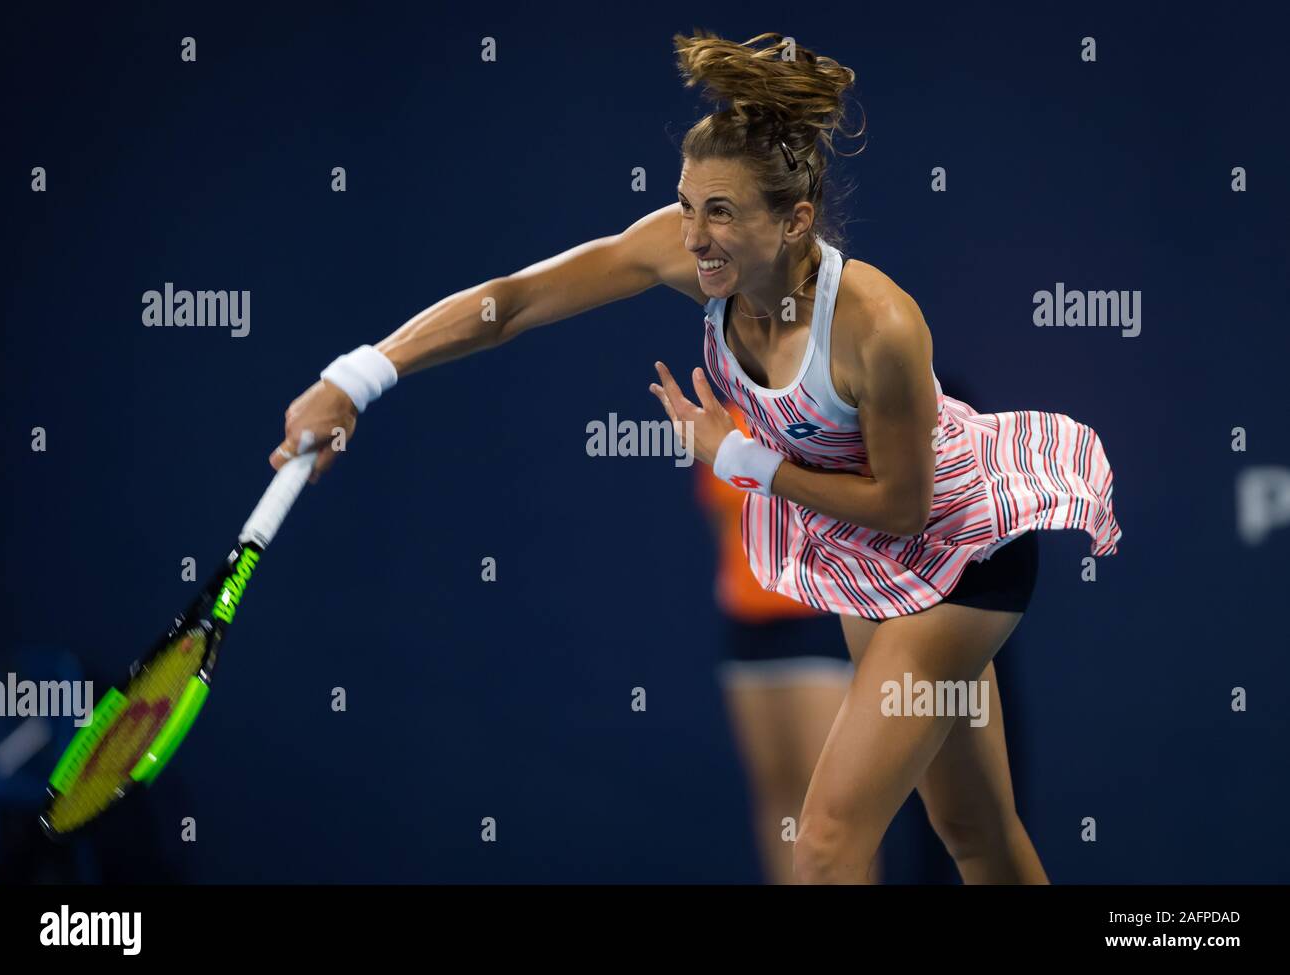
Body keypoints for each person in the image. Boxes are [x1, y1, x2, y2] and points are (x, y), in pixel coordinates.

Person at [270, 30, 1122, 884]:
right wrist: (358, 377)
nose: (695, 235)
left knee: (824, 845)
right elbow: (513, 302)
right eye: (685, 205)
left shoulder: (880, 325)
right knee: (973, 827)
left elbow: (905, 507)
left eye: (721, 212)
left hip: (961, 550)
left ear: (793, 220)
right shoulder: (687, 254)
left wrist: (745, 463)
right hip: (870, 558)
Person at [694, 402, 859, 885]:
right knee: (775, 794)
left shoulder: (827, 412)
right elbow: (722, 523)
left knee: (832, 810)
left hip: (820, 621)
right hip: (747, 631)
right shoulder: (723, 417)